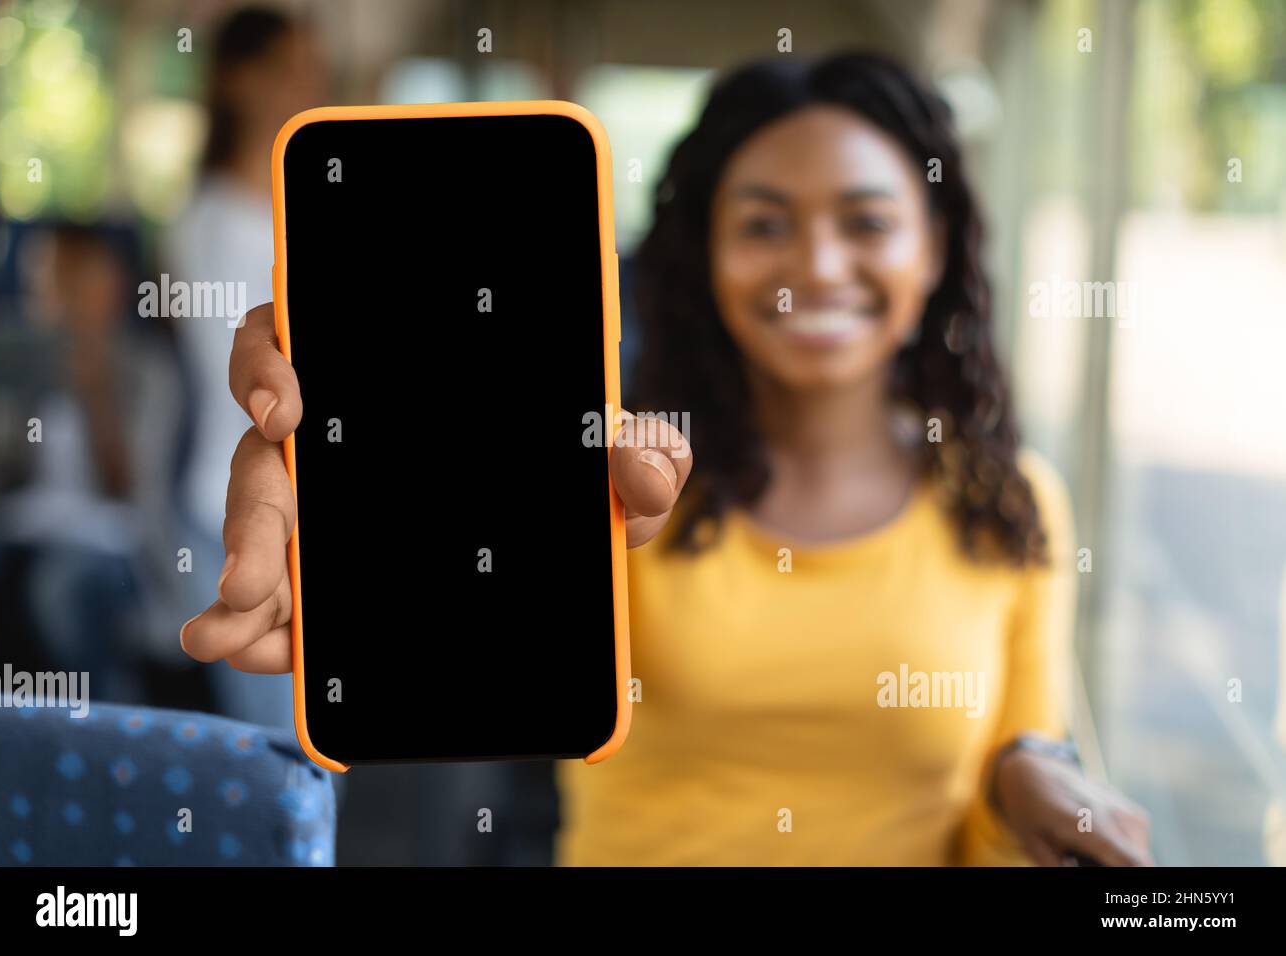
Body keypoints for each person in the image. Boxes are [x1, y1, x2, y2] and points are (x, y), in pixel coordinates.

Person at [180, 51, 1153, 865]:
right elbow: (481, 607)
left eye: (865, 221)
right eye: (764, 222)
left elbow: (998, 801)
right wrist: (380, 549)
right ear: (703, 255)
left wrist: (1030, 780)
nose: (815, 265)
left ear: (934, 248)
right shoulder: (622, 479)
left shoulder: (1010, 502)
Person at [168, 6, 327, 728]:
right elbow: (249, 386)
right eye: (287, 67)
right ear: (238, 81)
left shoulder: (295, 208)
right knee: (283, 753)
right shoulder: (210, 221)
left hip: (296, 502)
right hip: (229, 505)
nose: (309, 82)